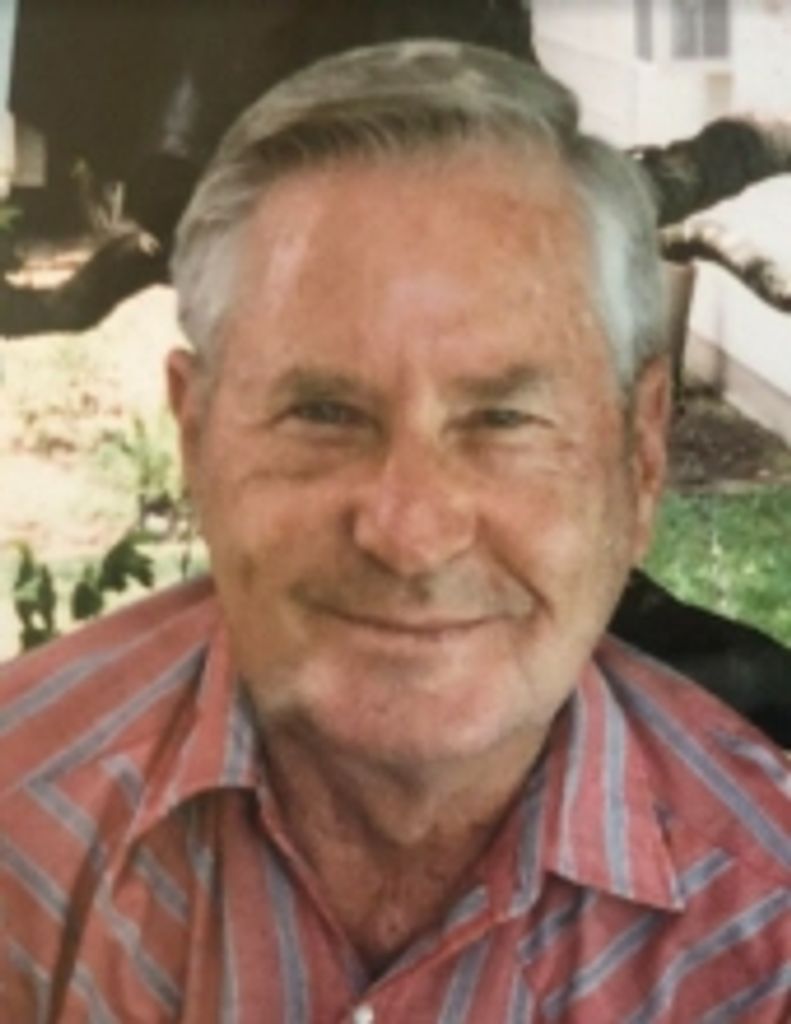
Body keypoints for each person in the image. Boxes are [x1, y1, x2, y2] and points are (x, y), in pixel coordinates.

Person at [2, 41, 788, 1024]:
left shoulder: (765, 926)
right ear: (195, 439)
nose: (410, 534)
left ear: (639, 460)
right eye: (323, 413)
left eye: (502, 419)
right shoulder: (19, 842)